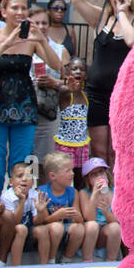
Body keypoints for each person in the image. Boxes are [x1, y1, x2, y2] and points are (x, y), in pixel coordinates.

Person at [0, 0, 63, 189]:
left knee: (21, 163)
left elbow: (57, 65)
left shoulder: (32, 40)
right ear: (3, 11)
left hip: (24, 108)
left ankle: (17, 206)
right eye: (14, 8)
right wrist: (6, 44)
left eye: (24, 8)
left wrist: (41, 39)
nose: (20, 12)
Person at [69, 0, 134, 166]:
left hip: (122, 94)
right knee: (99, 150)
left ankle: (116, 192)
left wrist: (122, 12)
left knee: (115, 152)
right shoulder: (103, 18)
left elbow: (132, 41)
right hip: (96, 93)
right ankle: (102, 189)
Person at [28, 5, 69, 182]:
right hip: (27, 109)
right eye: (36, 22)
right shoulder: (22, 47)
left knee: (46, 158)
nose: (41, 26)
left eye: (44, 22)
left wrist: (54, 83)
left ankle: (43, 192)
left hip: (49, 112)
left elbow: (71, 82)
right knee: (27, 157)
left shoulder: (59, 50)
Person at [33, 151, 89, 263]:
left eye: (72, 170)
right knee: (57, 227)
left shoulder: (73, 192)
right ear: (53, 176)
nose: (72, 174)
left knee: (79, 229)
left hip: (65, 229)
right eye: (67, 171)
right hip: (48, 230)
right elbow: (42, 222)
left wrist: (77, 216)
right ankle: (51, 259)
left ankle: (66, 259)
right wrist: (58, 215)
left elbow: (78, 220)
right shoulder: (42, 192)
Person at [53, 59, 91, 187]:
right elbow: (63, 91)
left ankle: (80, 199)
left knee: (81, 177)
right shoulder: (66, 93)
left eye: (82, 69)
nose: (78, 71)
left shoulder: (85, 95)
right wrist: (70, 89)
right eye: (75, 69)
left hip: (82, 144)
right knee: (64, 176)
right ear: (68, 71)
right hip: (65, 144)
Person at [0, 159, 41, 266]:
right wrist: (21, 201)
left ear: (33, 183)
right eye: (20, 176)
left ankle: (45, 265)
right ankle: (15, 266)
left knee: (43, 230)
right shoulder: (7, 196)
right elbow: (14, 222)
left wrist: (41, 211)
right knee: (21, 228)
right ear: (11, 182)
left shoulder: (34, 194)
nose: (24, 179)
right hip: (7, 235)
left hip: (27, 233)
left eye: (28, 176)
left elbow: (37, 222)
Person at [79, 156, 122, 261]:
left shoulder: (115, 191)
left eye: (101, 172)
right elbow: (89, 218)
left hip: (105, 232)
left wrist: (106, 212)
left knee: (116, 227)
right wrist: (94, 195)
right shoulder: (84, 193)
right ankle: (87, 260)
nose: (99, 176)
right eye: (94, 175)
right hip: (90, 233)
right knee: (92, 225)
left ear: (106, 174)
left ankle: (111, 261)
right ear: (88, 179)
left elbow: (117, 221)